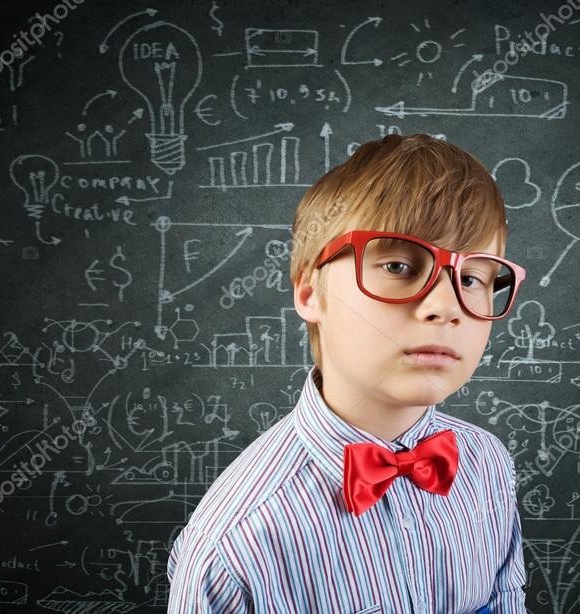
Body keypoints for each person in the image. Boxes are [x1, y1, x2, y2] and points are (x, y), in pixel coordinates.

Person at [166, 134, 528, 613]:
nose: (445, 306)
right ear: (310, 294)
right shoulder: (238, 543)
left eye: (470, 278)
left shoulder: (487, 465)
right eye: (398, 265)